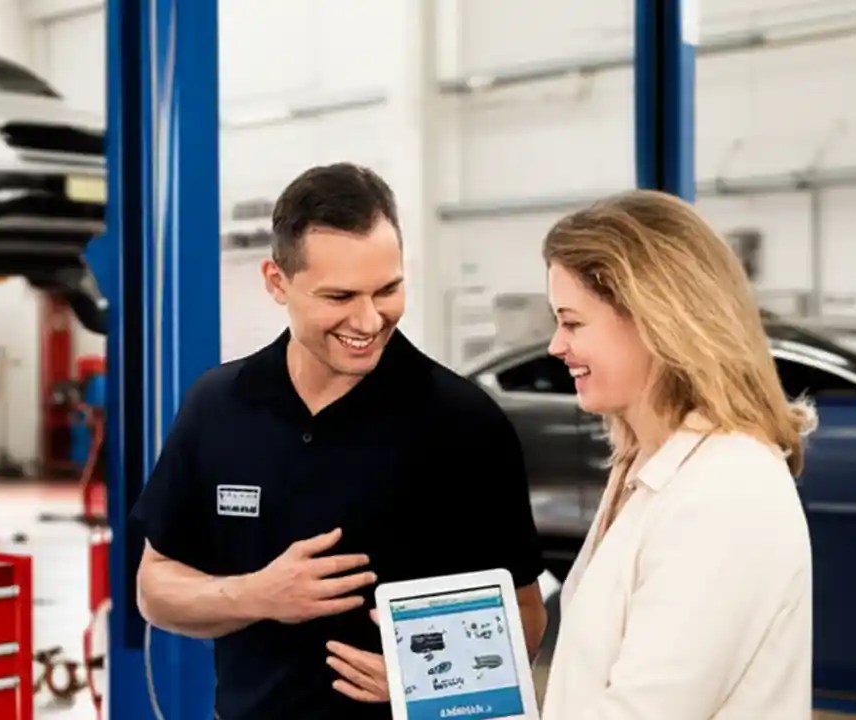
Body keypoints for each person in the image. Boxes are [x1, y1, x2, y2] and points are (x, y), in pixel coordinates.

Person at [131, 162, 548, 719]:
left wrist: (422, 681)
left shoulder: (463, 424)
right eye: (339, 296)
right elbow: (155, 588)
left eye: (389, 289)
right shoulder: (218, 406)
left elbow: (526, 616)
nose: (369, 319)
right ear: (277, 282)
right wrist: (260, 594)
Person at [538, 189, 816, 719]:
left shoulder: (726, 492)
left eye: (572, 322)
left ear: (653, 320)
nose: (555, 345)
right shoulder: (648, 465)